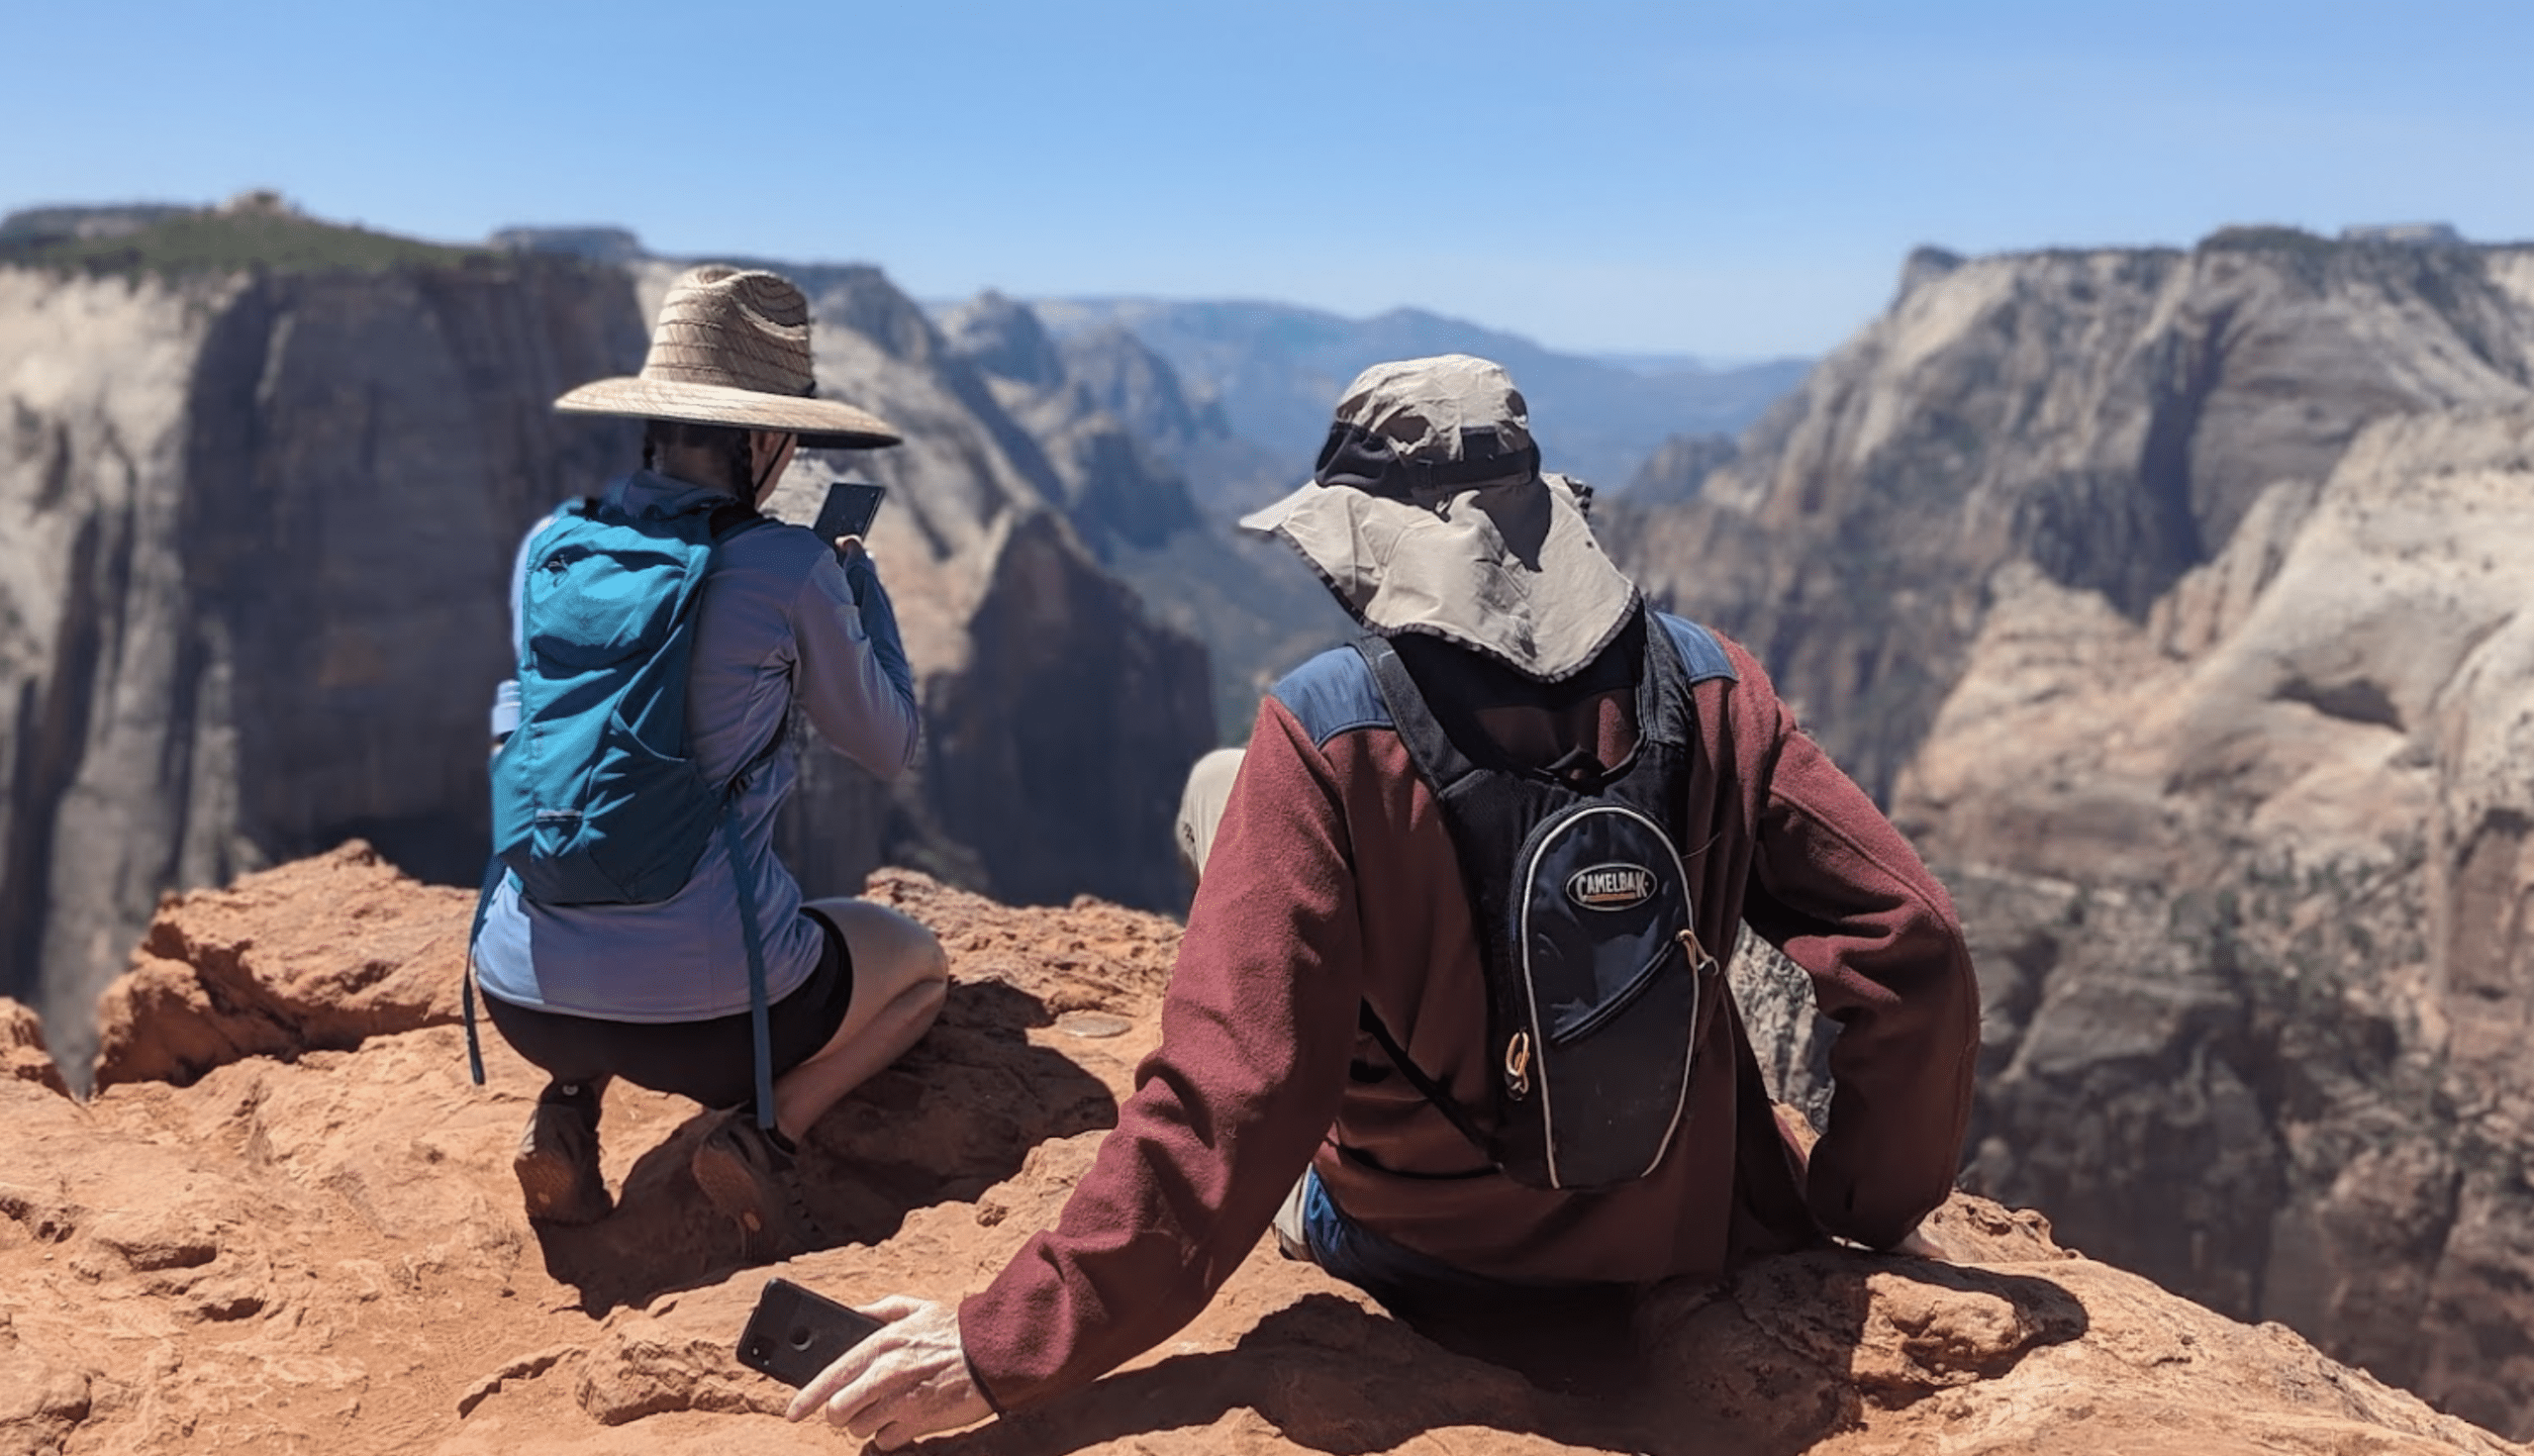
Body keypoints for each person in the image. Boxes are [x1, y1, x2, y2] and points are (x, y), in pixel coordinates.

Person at [782, 354, 1980, 1447]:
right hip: (1686, 1229)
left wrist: (1003, 1345)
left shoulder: (1327, 727)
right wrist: (1864, 1207)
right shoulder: (1714, 688)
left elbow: (1230, 1102)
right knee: (1235, 796)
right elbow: (1912, 945)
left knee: (1224, 798)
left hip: (1427, 1253)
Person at [467, 265, 949, 1252]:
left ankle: (564, 1108)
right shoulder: (789, 567)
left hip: (518, 993)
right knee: (920, 971)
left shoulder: (550, 545)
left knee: (606, 841)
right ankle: (765, 1136)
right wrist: (859, 594)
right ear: (766, 439)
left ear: (658, 422)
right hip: (717, 1020)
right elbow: (889, 742)